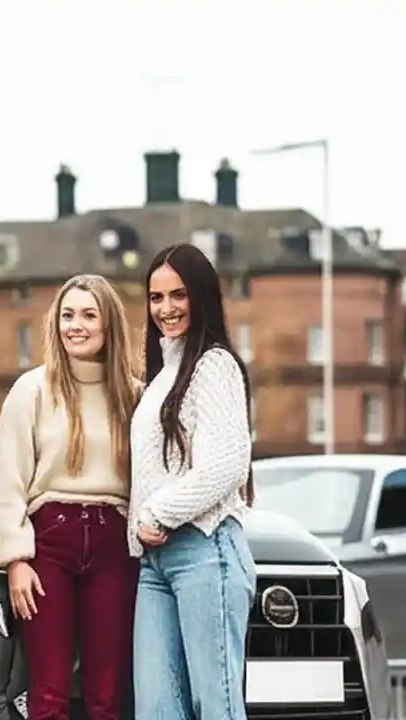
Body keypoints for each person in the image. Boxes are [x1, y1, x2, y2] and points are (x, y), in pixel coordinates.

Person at [0, 274, 142, 720]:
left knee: (106, 694)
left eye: (89, 315)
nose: (76, 325)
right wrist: (15, 560)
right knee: (48, 690)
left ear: (108, 324)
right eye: (67, 315)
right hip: (48, 545)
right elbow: (8, 478)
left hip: (115, 545)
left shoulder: (133, 395)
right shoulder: (32, 390)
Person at [128, 242, 257, 719]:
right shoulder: (163, 375)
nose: (166, 308)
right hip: (155, 563)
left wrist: (157, 513)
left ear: (200, 295)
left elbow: (227, 463)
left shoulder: (214, 364)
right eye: (156, 297)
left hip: (206, 550)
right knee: (156, 710)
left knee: (217, 707)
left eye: (178, 294)